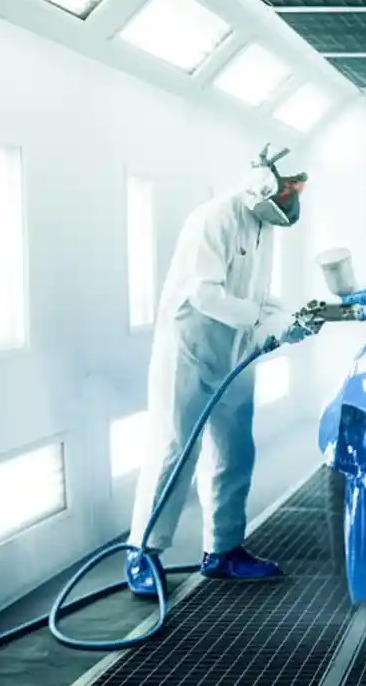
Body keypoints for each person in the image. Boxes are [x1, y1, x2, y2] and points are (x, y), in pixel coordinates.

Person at [125, 145, 310, 596]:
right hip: (187, 353)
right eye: (288, 189)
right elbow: (205, 294)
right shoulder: (214, 219)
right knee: (175, 451)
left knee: (234, 451)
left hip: (233, 351)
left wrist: (292, 318)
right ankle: (142, 553)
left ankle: (223, 551)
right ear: (264, 183)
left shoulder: (264, 227)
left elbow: (255, 296)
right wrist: (261, 320)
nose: (292, 198)